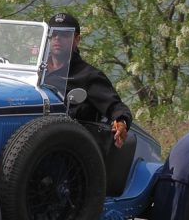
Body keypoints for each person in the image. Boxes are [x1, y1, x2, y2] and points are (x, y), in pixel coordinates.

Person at [46, 11, 132, 148]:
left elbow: (115, 106)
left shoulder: (88, 75)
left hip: (70, 149)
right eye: (53, 34)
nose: (57, 38)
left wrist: (121, 121)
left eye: (64, 34)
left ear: (77, 39)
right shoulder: (35, 71)